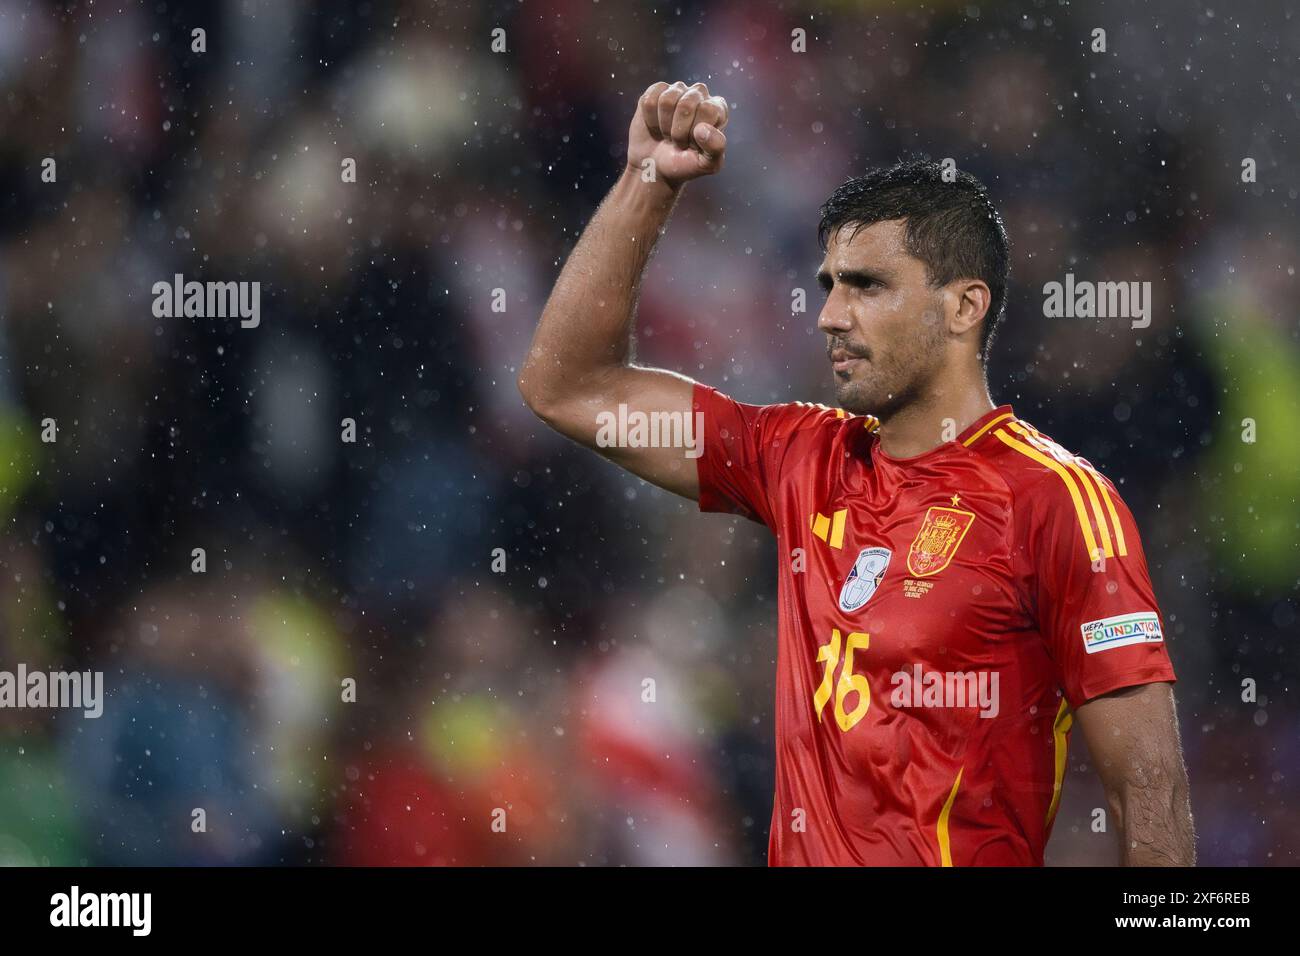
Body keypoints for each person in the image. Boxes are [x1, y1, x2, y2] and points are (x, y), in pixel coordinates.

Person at [519, 80, 1194, 866]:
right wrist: (648, 182)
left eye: (866, 285)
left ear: (964, 307)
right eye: (827, 286)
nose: (830, 315)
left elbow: (1147, 783)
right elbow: (567, 385)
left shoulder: (1057, 502)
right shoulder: (797, 458)